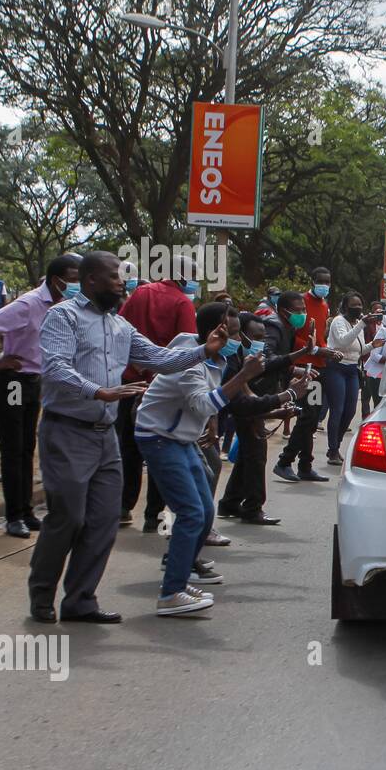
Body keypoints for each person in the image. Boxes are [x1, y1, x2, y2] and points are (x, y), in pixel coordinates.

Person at [30, 251, 228, 625]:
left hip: (106, 436)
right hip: (67, 430)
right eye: (114, 277)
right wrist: (96, 391)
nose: (122, 283)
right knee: (68, 517)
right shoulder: (64, 316)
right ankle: (42, 595)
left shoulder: (119, 326)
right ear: (90, 280)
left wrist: (205, 350)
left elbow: (160, 358)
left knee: (104, 521)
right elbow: (55, 367)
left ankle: (80, 600)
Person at [134, 301, 270, 614]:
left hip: (182, 439)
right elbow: (203, 404)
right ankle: (171, 592)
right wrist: (243, 377)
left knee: (205, 513)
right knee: (191, 512)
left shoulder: (215, 356)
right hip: (159, 439)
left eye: (237, 333)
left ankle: (182, 575)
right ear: (211, 332)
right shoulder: (190, 362)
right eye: (231, 333)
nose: (238, 341)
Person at [0, 255, 79, 537]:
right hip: (14, 383)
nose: (78, 284)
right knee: (13, 447)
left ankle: (27, 510)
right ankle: (13, 516)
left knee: (27, 445)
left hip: (34, 381)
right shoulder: (29, 303)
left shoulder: (62, 306)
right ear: (57, 280)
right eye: (74, 278)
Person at [117, 256, 201, 531]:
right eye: (193, 275)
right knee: (160, 447)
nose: (195, 282)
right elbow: (187, 350)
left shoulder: (140, 292)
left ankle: (123, 506)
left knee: (128, 448)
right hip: (161, 388)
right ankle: (153, 513)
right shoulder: (182, 303)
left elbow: (120, 328)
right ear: (182, 275)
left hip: (129, 381)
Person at [219, 313, 317, 523]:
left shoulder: (239, 356)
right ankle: (252, 507)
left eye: (262, 338)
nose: (260, 343)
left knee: (249, 453)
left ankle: (230, 502)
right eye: (254, 337)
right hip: (210, 420)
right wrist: (286, 397)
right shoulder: (229, 359)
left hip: (245, 409)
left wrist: (301, 353)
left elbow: (271, 366)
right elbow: (242, 404)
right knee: (255, 453)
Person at [275, 272, 338, 482]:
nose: (324, 285)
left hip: (318, 366)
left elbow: (319, 337)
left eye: (328, 282)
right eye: (321, 282)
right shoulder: (300, 303)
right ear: (313, 282)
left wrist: (327, 350)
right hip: (302, 366)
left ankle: (305, 464)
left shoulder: (324, 305)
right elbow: (297, 340)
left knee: (312, 416)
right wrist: (319, 350)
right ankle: (285, 461)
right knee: (307, 416)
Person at [323, 291, 379, 465]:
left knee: (350, 411)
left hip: (352, 369)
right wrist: (361, 324)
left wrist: (372, 345)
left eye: (360, 306)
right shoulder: (338, 321)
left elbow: (357, 350)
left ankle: (336, 445)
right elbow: (342, 343)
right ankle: (333, 450)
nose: (358, 309)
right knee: (337, 410)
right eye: (354, 306)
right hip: (336, 368)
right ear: (345, 307)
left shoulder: (357, 324)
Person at [360, 300, 384, 418]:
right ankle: (365, 418)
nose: (379, 313)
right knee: (366, 395)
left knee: (377, 395)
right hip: (367, 363)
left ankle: (375, 418)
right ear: (372, 312)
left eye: (381, 310)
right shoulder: (367, 326)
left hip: (379, 366)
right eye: (376, 310)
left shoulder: (385, 326)